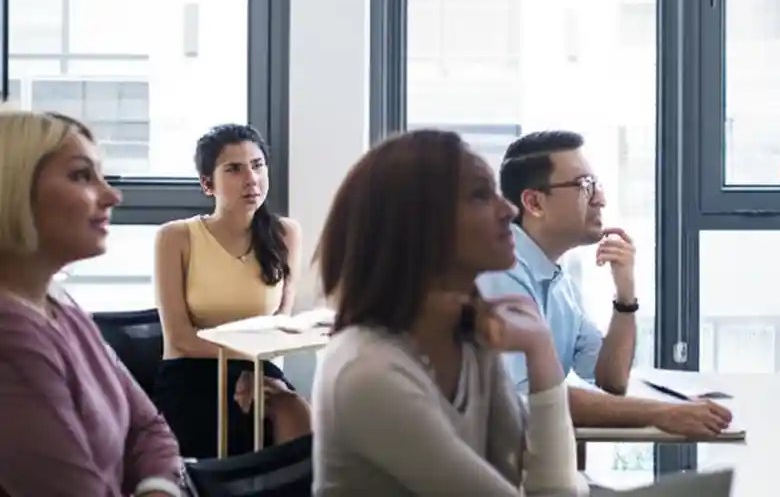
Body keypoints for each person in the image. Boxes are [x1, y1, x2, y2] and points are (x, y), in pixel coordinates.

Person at [310, 129, 582, 496]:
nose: (509, 211)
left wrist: (540, 349)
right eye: (480, 195)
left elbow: (544, 488)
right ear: (417, 222)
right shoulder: (367, 373)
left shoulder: (469, 340)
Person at [478, 131, 732, 438]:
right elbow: (529, 400)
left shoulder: (558, 280)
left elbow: (611, 379)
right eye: (585, 186)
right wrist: (663, 413)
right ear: (534, 202)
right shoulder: (499, 273)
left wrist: (625, 294)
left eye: (596, 185)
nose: (601, 199)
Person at [0, 107, 183, 497]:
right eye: (81, 175)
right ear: (13, 188)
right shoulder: (9, 337)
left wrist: (157, 489)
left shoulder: (60, 307)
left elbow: (149, 427)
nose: (111, 195)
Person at [152, 123, 310, 458]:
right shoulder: (175, 237)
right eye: (234, 169)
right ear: (207, 184)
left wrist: (253, 371)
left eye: (257, 165)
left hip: (257, 367)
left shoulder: (285, 234)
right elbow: (180, 337)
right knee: (229, 431)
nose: (251, 179)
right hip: (191, 373)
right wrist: (242, 362)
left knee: (298, 413)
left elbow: (281, 321)